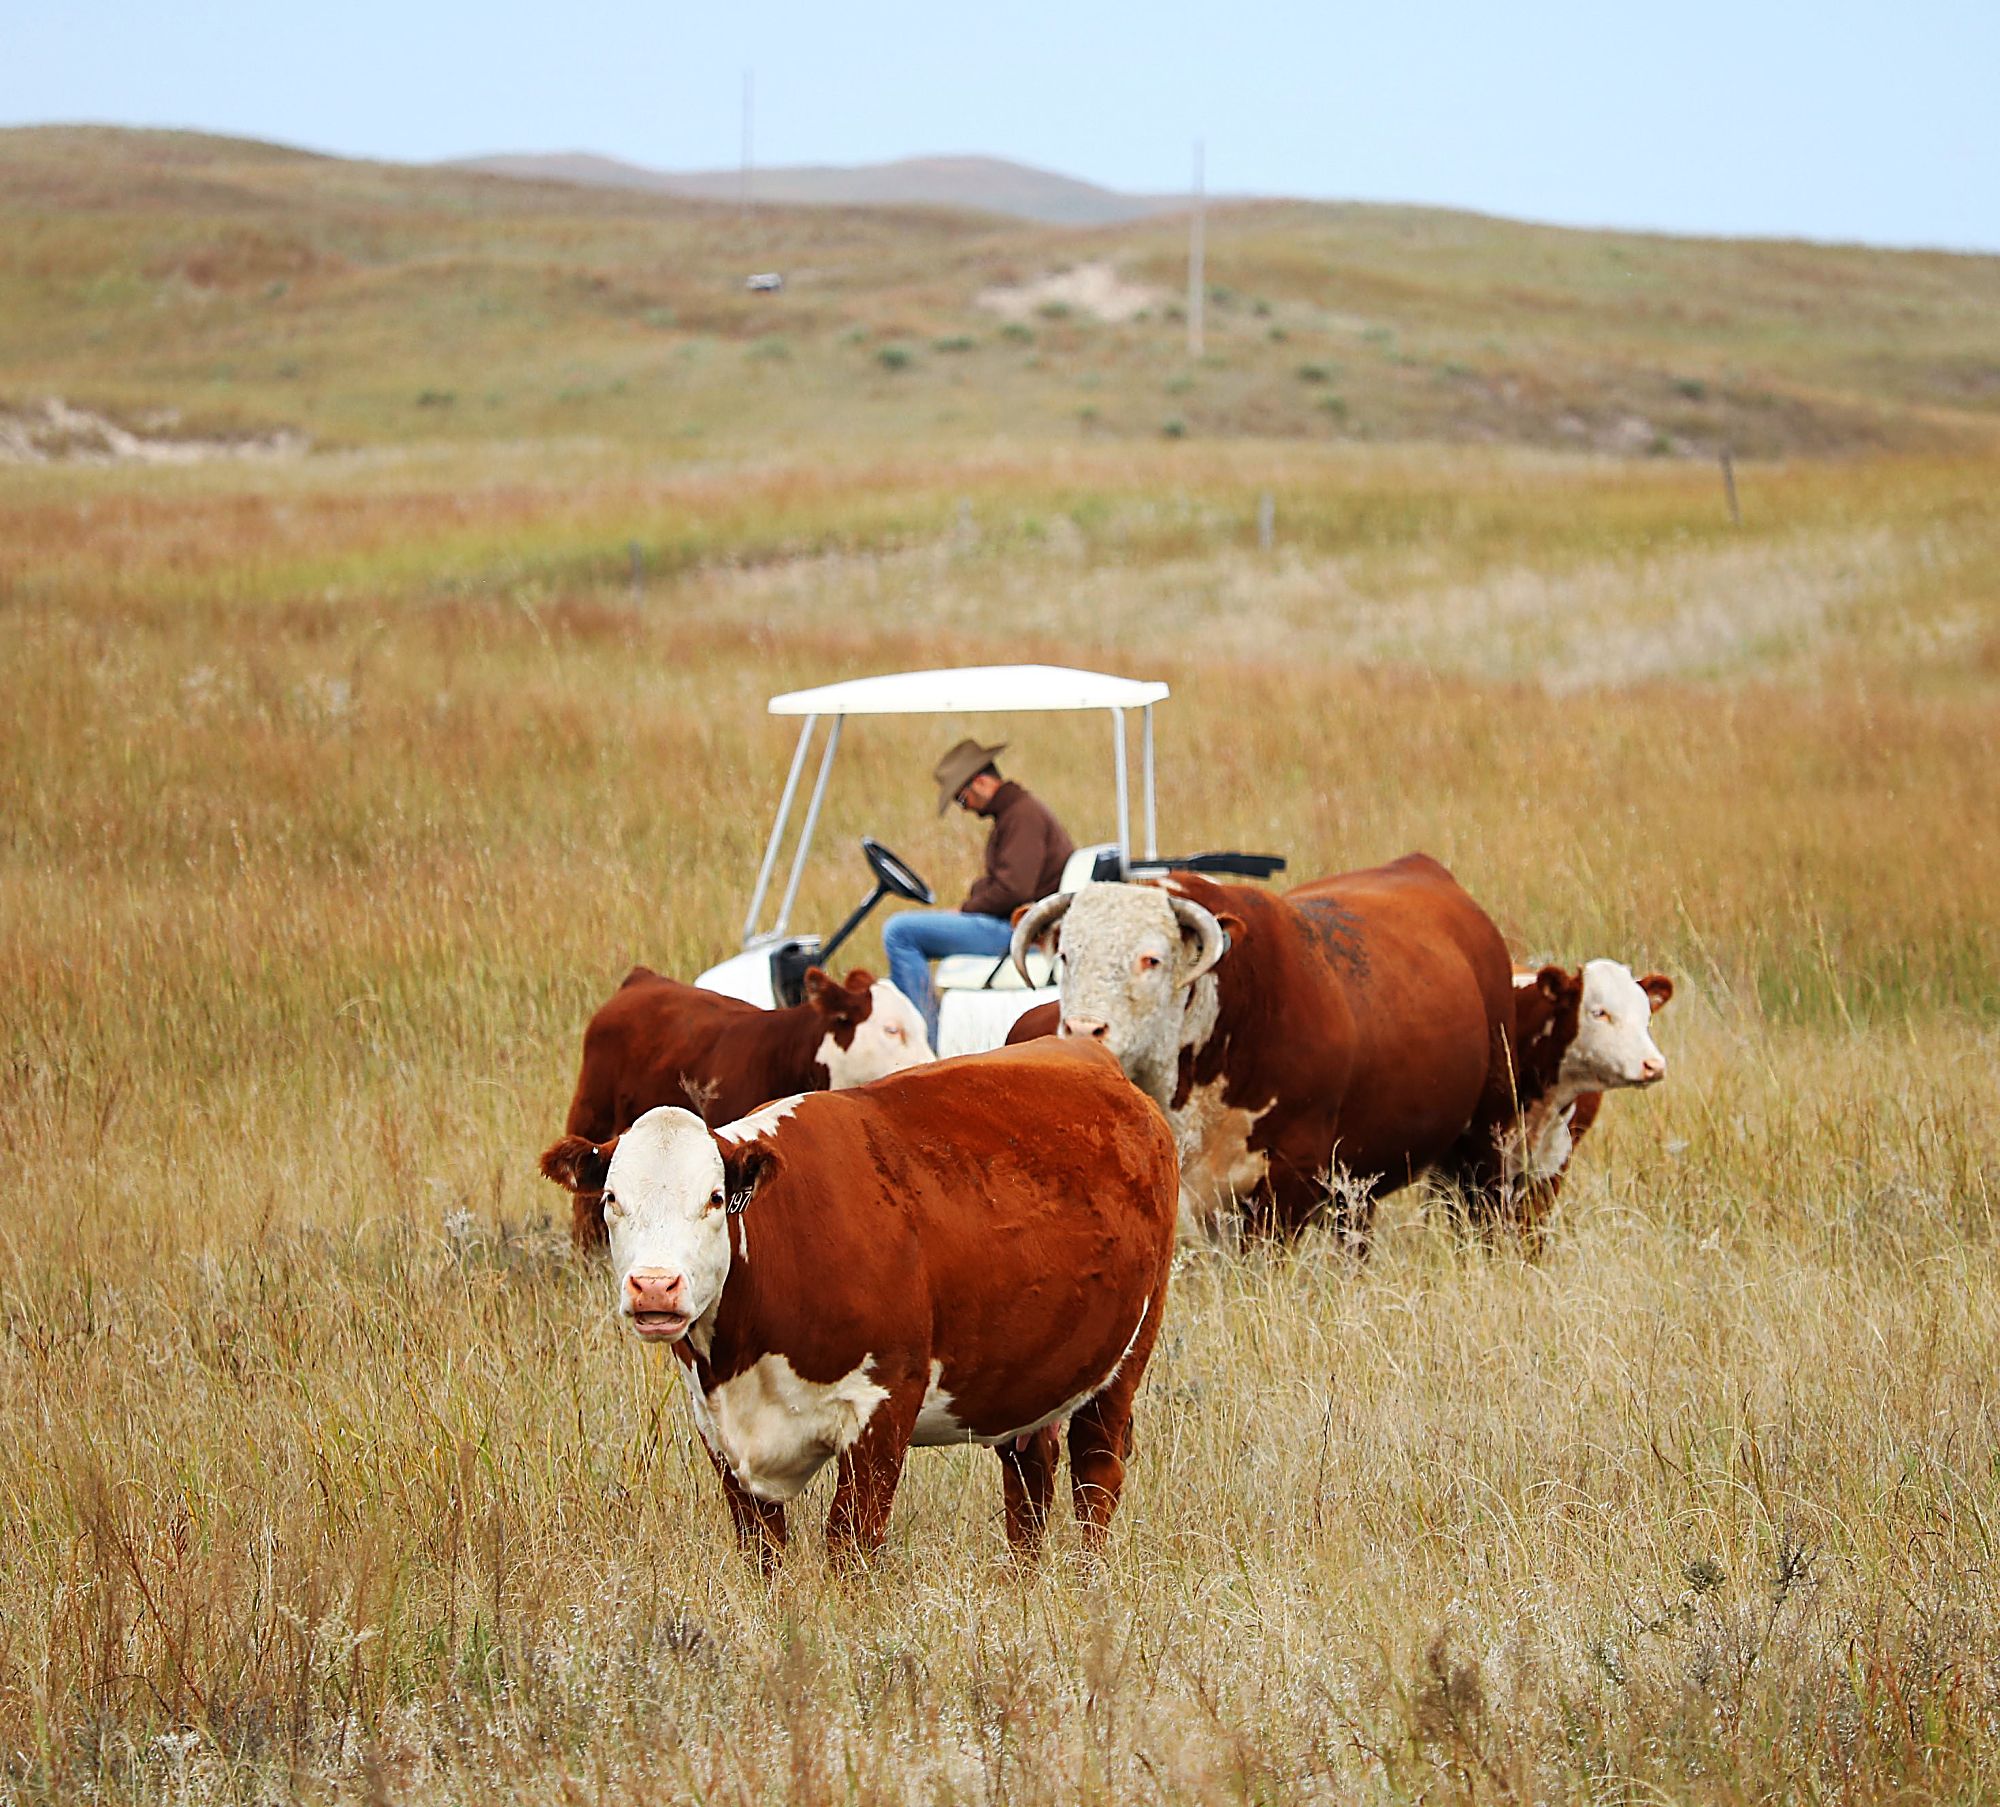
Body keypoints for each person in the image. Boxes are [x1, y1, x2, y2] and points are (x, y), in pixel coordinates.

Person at [882, 738, 1076, 1041]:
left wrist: (966, 909)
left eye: (962, 799)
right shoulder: (1016, 814)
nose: (965, 809)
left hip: (1021, 930)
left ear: (982, 782)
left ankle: (924, 1043)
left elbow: (1014, 889)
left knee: (900, 932)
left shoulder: (1022, 816)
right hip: (1021, 924)